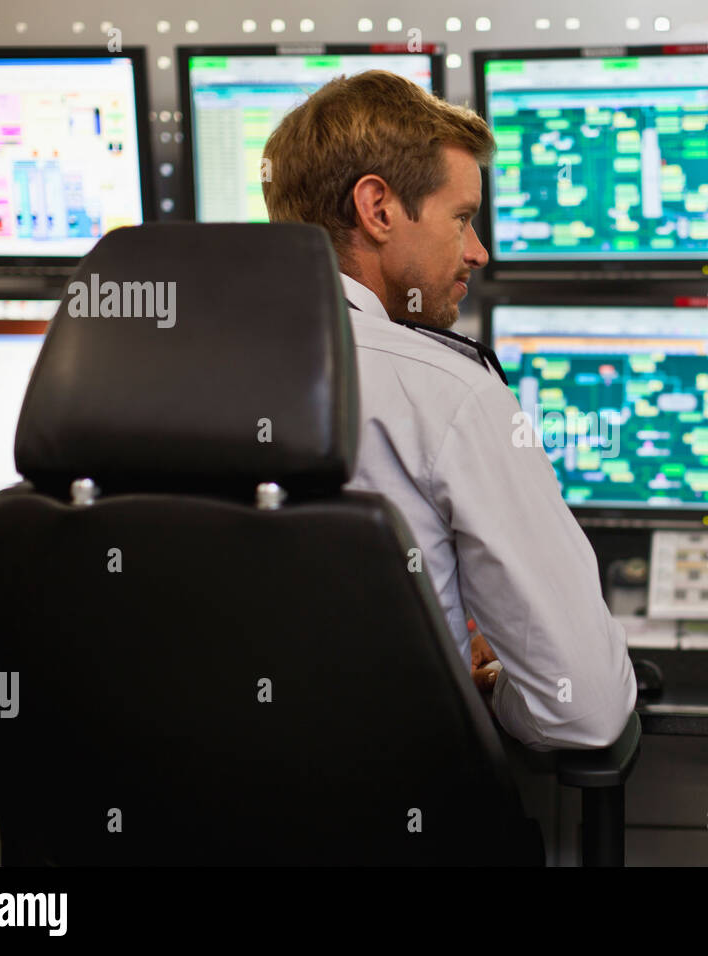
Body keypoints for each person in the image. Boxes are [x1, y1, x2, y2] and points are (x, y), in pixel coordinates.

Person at [262, 70, 635, 749]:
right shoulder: (445, 393)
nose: (478, 251)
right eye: (462, 218)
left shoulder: (152, 382)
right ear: (376, 209)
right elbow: (585, 708)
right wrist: (487, 691)